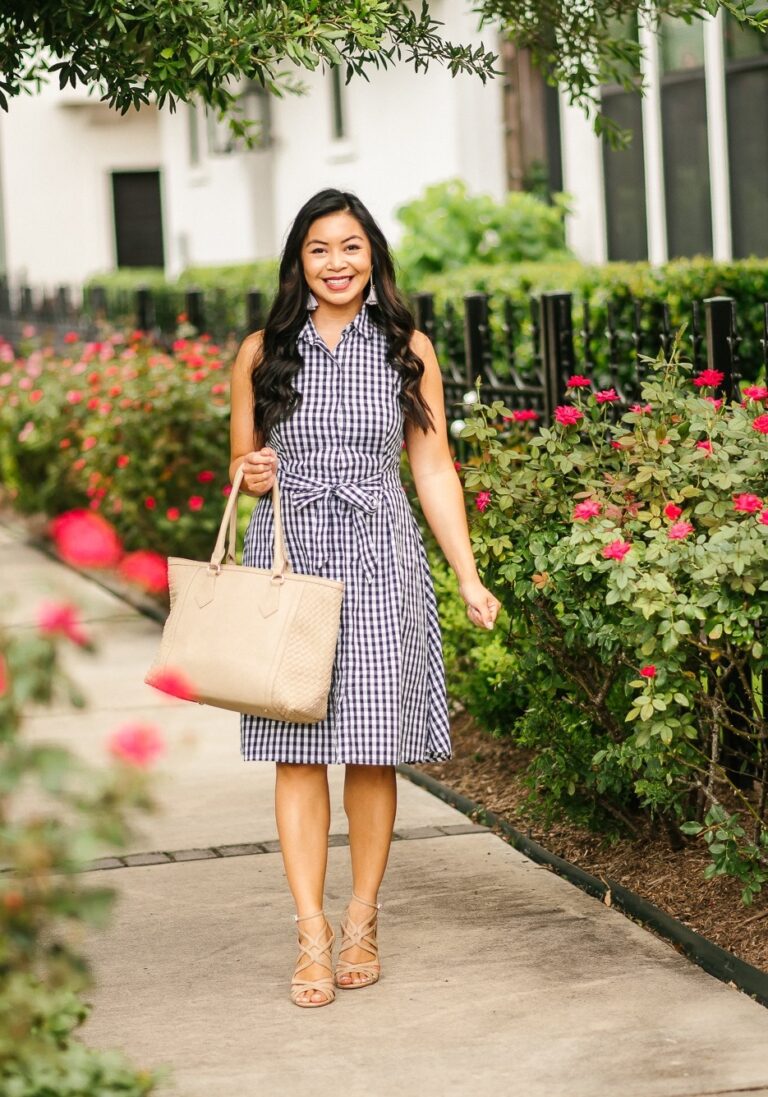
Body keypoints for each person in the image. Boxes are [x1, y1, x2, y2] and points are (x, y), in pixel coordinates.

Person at [229, 188, 501, 1008]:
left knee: (373, 745)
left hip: (382, 551)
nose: (337, 262)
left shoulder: (406, 347)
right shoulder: (260, 349)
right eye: (319, 248)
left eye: (351, 246)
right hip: (293, 550)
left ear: (373, 256)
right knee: (298, 745)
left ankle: (361, 918)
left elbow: (432, 467)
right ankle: (310, 931)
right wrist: (255, 472)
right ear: (298, 262)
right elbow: (242, 463)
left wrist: (467, 571)